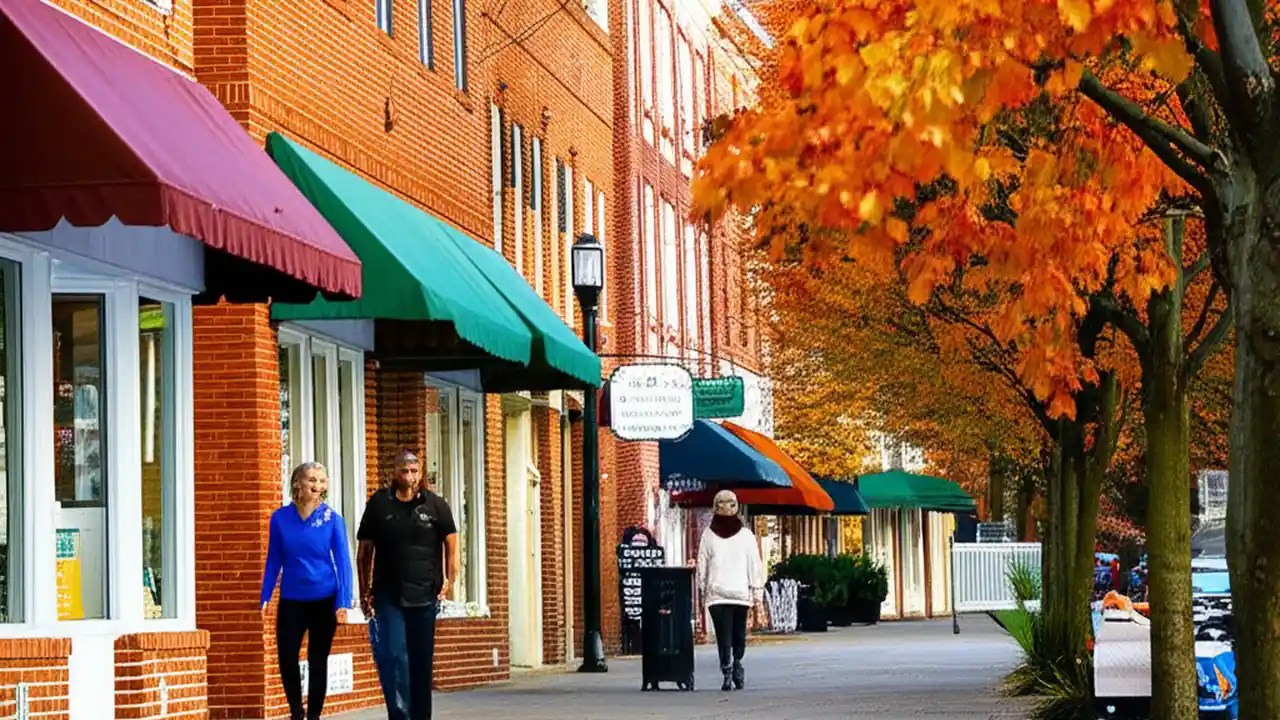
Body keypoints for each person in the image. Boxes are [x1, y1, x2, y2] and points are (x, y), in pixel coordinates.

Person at [358, 450, 459, 720]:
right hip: (388, 593)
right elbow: (364, 551)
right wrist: (363, 588)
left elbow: (451, 546)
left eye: (415, 471)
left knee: (420, 660)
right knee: (394, 656)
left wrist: (450, 580)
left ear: (421, 473)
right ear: (395, 472)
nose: (410, 476)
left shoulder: (436, 505)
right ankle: (399, 715)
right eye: (405, 470)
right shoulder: (379, 504)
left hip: (425, 593)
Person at [261, 461, 353, 720]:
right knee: (286, 656)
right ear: (297, 484)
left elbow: (343, 563)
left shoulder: (332, 520)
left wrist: (343, 602)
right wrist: (265, 595)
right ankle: (296, 712)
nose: (318, 485)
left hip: (325, 598)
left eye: (322, 480)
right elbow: (273, 559)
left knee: (317, 659)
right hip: (292, 599)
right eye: (312, 480)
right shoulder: (280, 519)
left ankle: (313, 715)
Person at [696, 490, 765, 692]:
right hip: (740, 593)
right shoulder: (746, 536)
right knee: (738, 634)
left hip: (716, 593)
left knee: (723, 635)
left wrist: (702, 589)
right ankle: (736, 663)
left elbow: (702, 565)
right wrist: (757, 594)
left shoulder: (708, 535)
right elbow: (755, 566)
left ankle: (727, 668)